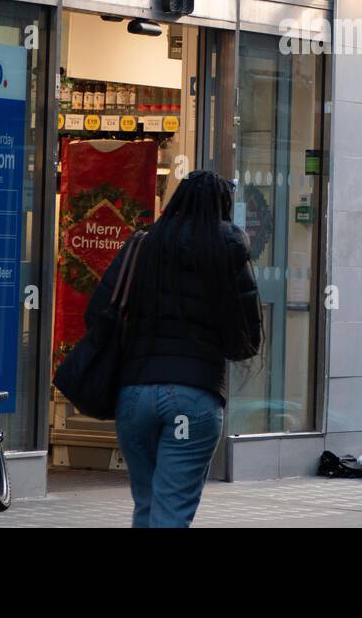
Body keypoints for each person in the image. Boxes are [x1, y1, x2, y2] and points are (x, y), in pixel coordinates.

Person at [111, 169, 262, 527]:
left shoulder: (142, 244)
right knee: (170, 511)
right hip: (194, 394)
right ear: (223, 205)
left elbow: (99, 311)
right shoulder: (227, 249)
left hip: (135, 393)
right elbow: (248, 338)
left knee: (146, 505)